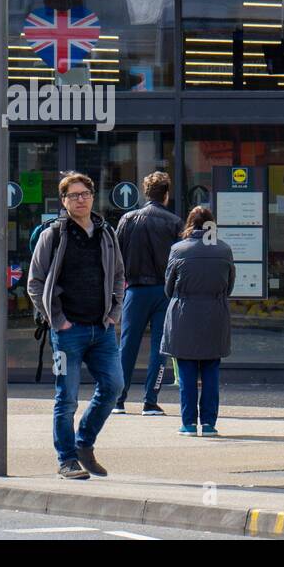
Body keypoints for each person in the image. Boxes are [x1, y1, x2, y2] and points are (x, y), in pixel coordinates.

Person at [27, 172, 126, 480]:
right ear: (64, 201)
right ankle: (67, 459)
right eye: (73, 195)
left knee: (114, 387)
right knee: (66, 398)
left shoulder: (106, 233)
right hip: (68, 333)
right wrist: (57, 320)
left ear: (93, 197)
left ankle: (84, 443)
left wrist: (114, 312)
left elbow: (120, 275)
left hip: (102, 329)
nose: (80, 199)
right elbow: (34, 282)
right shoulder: (54, 235)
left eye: (85, 194)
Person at [161, 205, 234, 436]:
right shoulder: (224, 250)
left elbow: (168, 287)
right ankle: (210, 423)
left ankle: (189, 423)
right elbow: (229, 285)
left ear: (189, 224)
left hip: (184, 314)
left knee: (187, 371)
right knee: (212, 370)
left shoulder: (178, 249)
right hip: (215, 314)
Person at [113, 171, 181, 415]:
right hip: (163, 291)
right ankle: (150, 400)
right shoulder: (173, 222)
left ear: (145, 192)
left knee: (127, 344)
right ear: (166, 194)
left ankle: (118, 398)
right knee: (160, 347)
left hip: (134, 290)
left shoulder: (128, 219)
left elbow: (115, 256)